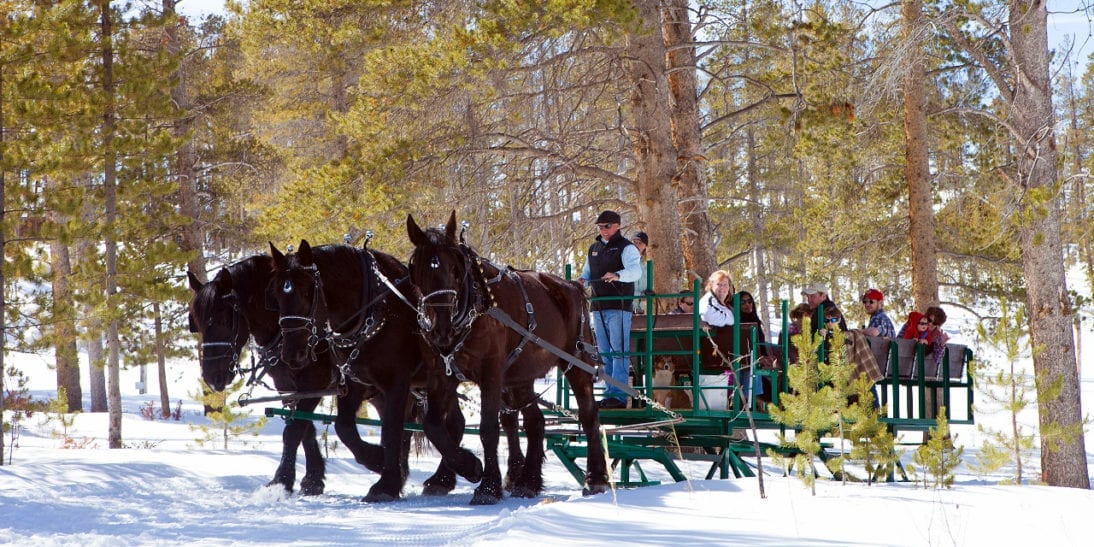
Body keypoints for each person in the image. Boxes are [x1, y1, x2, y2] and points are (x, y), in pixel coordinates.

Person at [579, 210, 642, 409]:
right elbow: (587, 272)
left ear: (617, 226)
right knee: (605, 352)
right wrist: (582, 280)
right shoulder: (594, 248)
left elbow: (635, 271)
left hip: (619, 305)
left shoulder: (627, 248)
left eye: (607, 226)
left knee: (619, 351)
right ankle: (609, 393)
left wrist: (617, 275)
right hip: (597, 306)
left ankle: (619, 395)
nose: (603, 230)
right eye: (600, 227)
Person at [632, 231, 650, 314]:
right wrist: (639, 294)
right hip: (625, 307)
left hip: (641, 308)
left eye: (640, 243)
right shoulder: (623, 262)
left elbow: (647, 287)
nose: (636, 245)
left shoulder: (646, 265)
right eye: (634, 242)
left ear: (645, 246)